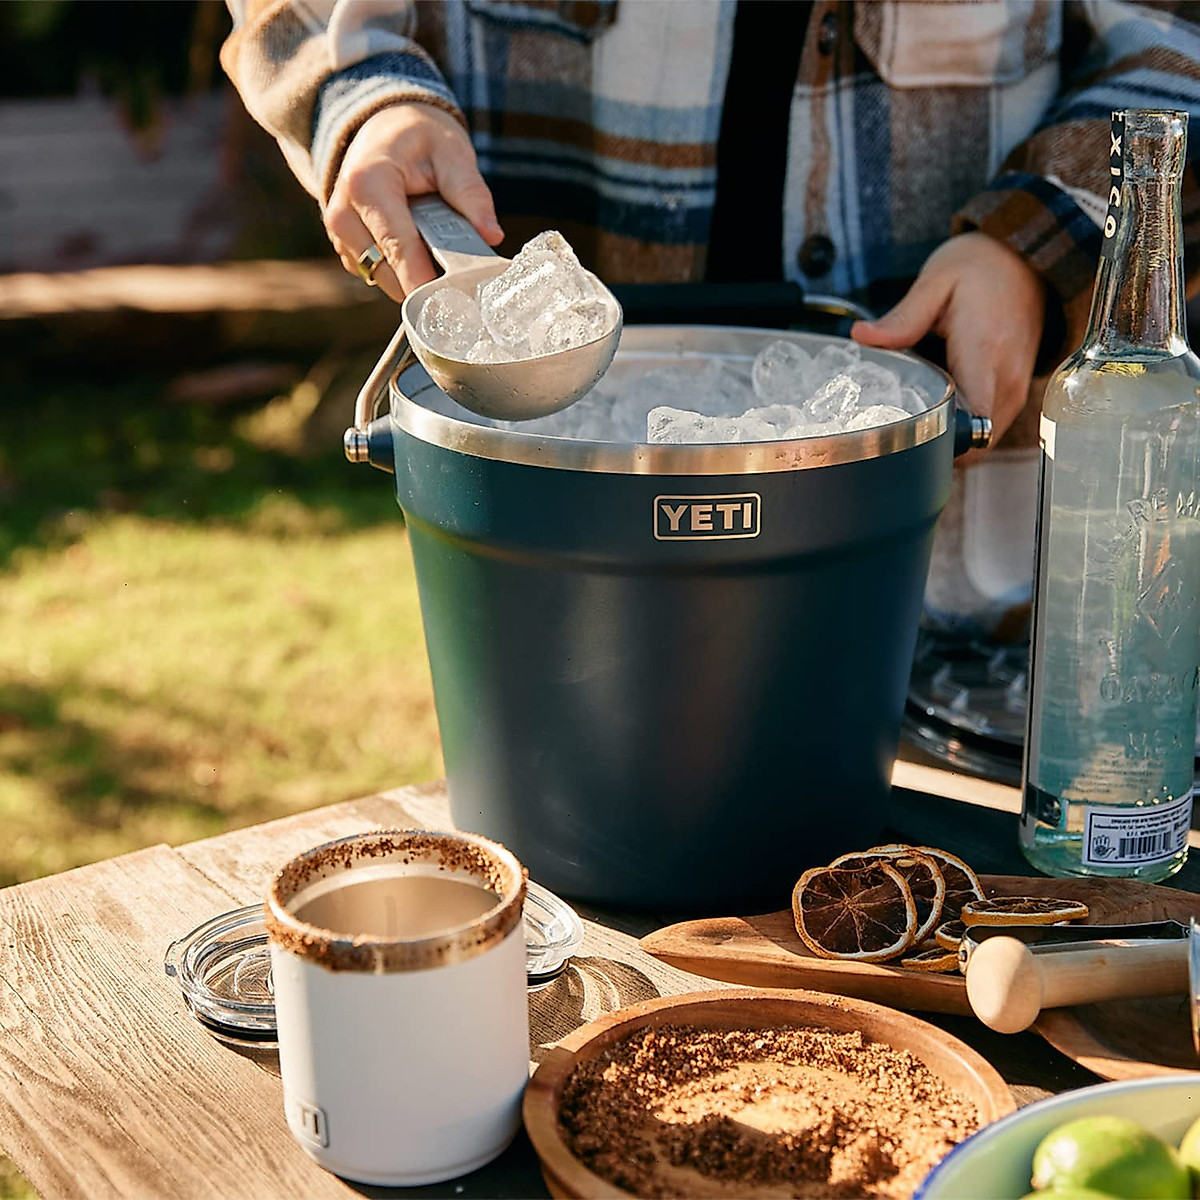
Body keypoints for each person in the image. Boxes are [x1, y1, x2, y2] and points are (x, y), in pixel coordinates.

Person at [220, 0, 1200, 450]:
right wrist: (372, 96)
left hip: (954, 574)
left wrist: (1031, 245)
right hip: (554, 551)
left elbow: (1178, 40)